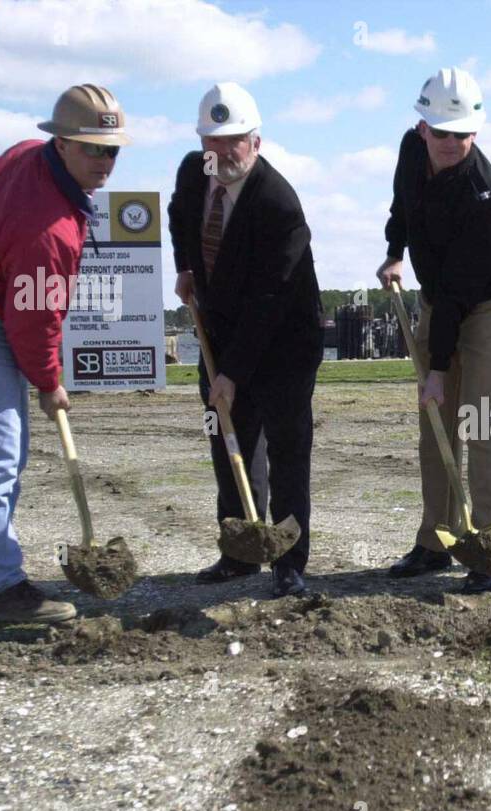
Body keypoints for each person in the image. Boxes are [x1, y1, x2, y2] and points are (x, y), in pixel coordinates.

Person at [0, 84, 129, 622]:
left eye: (112, 150)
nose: (105, 161)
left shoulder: (23, 155)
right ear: (60, 144)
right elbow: (35, 320)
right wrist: (49, 382)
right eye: (92, 148)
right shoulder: (50, 231)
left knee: (3, 452)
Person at [168, 82, 324, 597]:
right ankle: (239, 551)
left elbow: (268, 303)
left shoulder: (278, 204)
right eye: (213, 141)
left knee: (286, 446)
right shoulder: (195, 172)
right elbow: (178, 214)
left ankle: (288, 561)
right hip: (223, 333)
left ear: (256, 142)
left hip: (284, 343)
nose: (223, 153)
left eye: (234, 141)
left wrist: (232, 374)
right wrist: (186, 267)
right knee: (227, 437)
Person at [376, 68, 491, 595]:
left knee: (482, 422)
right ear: (422, 129)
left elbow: (462, 291)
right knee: (434, 428)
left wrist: (438, 369)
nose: (451, 143)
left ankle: (488, 549)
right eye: (441, 132)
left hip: (486, 303)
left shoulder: (483, 192)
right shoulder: (411, 152)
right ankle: (437, 541)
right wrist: (394, 253)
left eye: (462, 134)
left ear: (475, 133)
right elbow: (402, 207)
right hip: (438, 295)